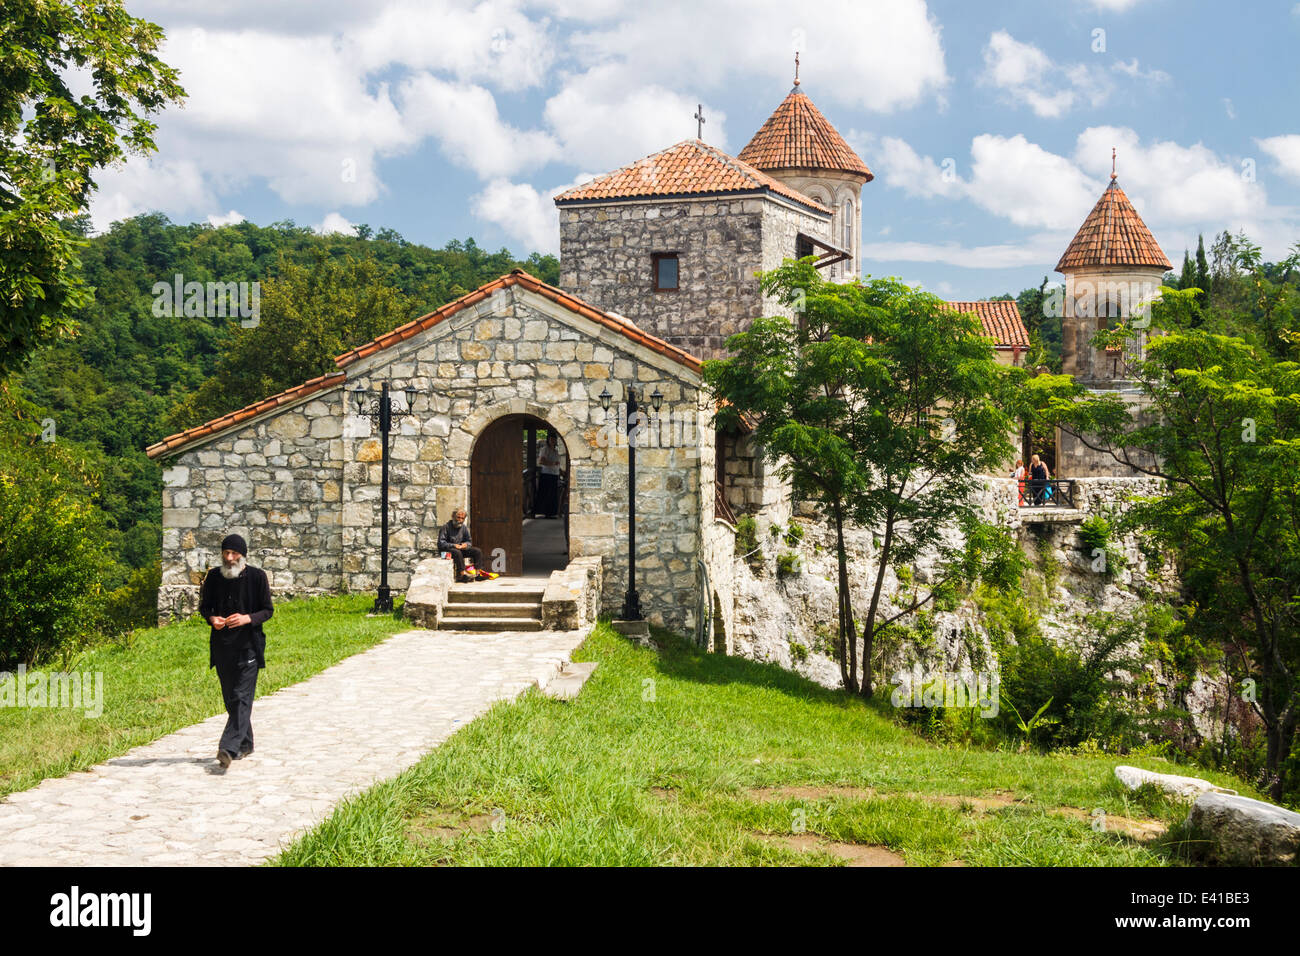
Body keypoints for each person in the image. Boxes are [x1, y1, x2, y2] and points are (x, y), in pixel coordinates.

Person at [197, 533, 273, 769]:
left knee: (241, 697)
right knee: (232, 699)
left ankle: (228, 748)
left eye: (234, 554)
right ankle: (246, 743)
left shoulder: (257, 577)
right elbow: (204, 607)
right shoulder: (213, 578)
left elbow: (267, 610)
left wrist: (246, 618)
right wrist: (212, 619)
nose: (229, 558)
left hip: (249, 645)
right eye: (226, 553)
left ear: (243, 555)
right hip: (222, 647)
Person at [438, 508, 484, 582]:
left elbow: (469, 541)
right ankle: (461, 575)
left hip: (459, 549)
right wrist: (453, 545)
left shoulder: (464, 528)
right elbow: (441, 543)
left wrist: (465, 545)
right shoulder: (446, 527)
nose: (460, 520)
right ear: (453, 516)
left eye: (462, 518)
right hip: (445, 552)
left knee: (477, 551)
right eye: (458, 517)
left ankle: (478, 574)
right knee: (457, 552)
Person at [536, 433, 563, 518]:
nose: (552, 441)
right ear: (548, 440)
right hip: (546, 474)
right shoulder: (545, 449)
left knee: (553, 495)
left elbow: (557, 464)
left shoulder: (555, 451)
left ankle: (551, 513)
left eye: (554, 439)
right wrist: (553, 463)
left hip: (554, 474)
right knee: (545, 494)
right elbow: (541, 461)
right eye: (551, 439)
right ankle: (543, 512)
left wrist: (560, 471)